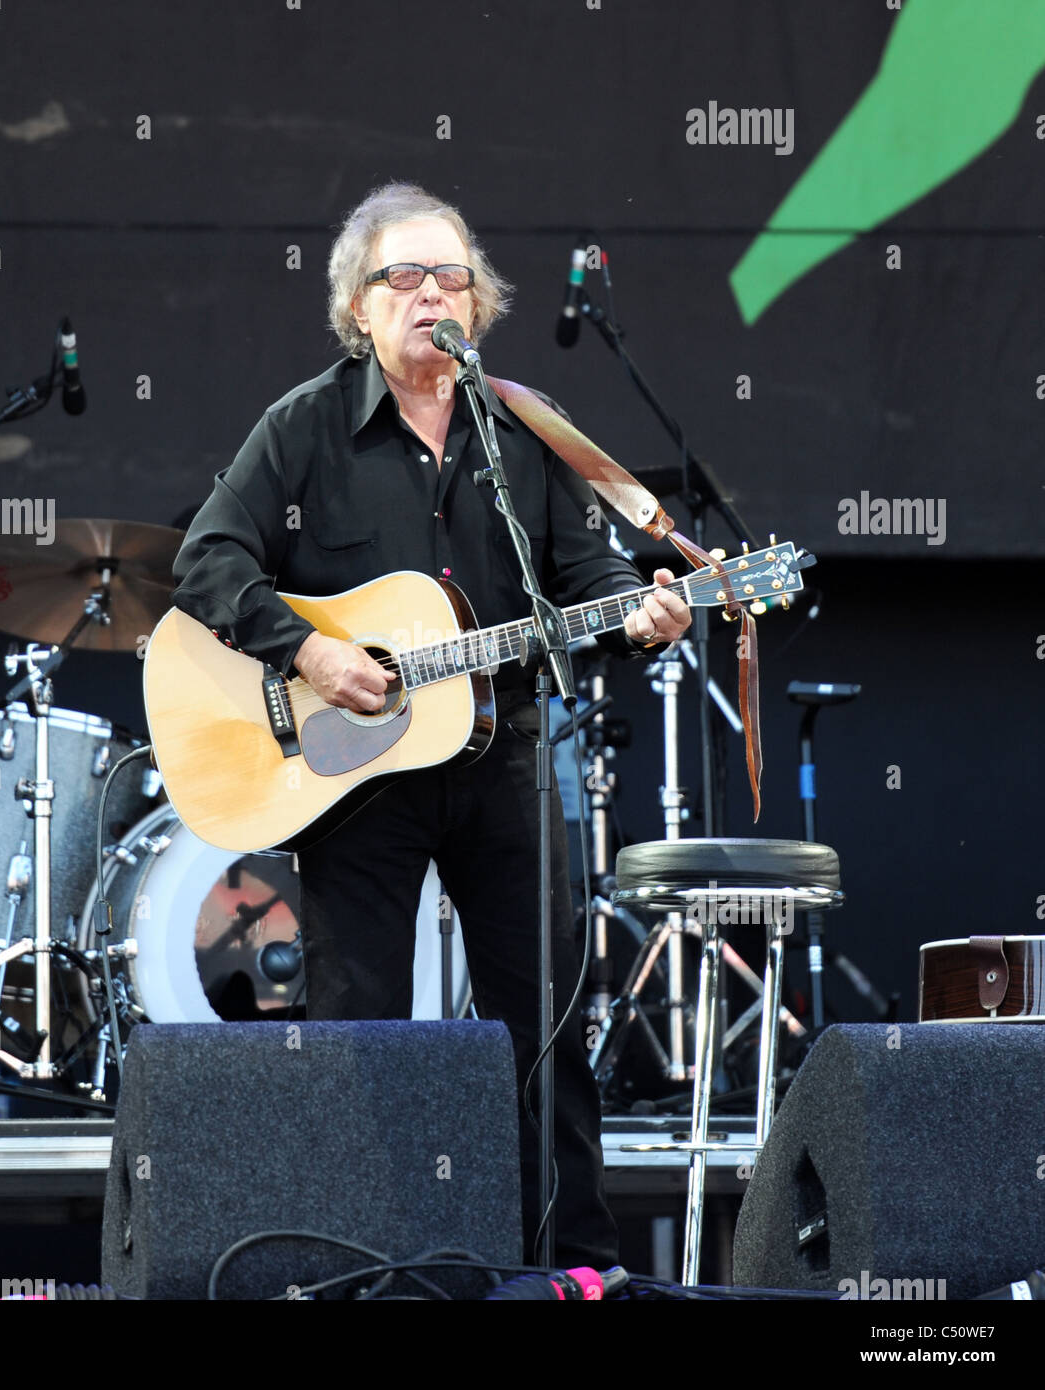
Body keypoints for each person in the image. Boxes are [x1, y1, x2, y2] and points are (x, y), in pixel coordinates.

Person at [171, 182, 691, 1268]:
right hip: (355, 781)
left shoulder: (524, 429)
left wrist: (638, 611)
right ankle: (366, 1267)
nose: (428, 293)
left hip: (498, 765)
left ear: (478, 302)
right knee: (361, 1041)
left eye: (449, 275)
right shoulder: (304, 426)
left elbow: (584, 576)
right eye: (401, 276)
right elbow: (207, 560)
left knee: (546, 1027)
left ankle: (570, 1270)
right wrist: (309, 650)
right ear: (355, 307)